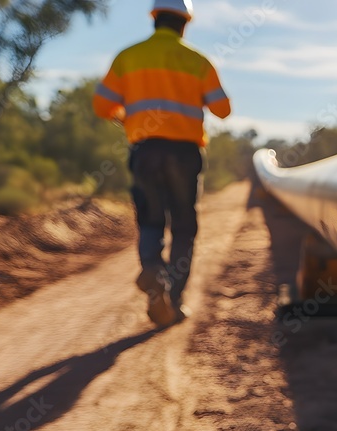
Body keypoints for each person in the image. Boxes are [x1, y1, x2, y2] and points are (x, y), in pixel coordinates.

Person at [93, 0, 231, 326]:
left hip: (146, 151)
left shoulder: (129, 57)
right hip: (185, 153)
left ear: (154, 19)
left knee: (151, 220)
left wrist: (126, 116)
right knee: (183, 226)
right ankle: (174, 298)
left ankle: (154, 270)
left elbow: (101, 106)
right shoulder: (198, 61)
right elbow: (222, 109)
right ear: (186, 23)